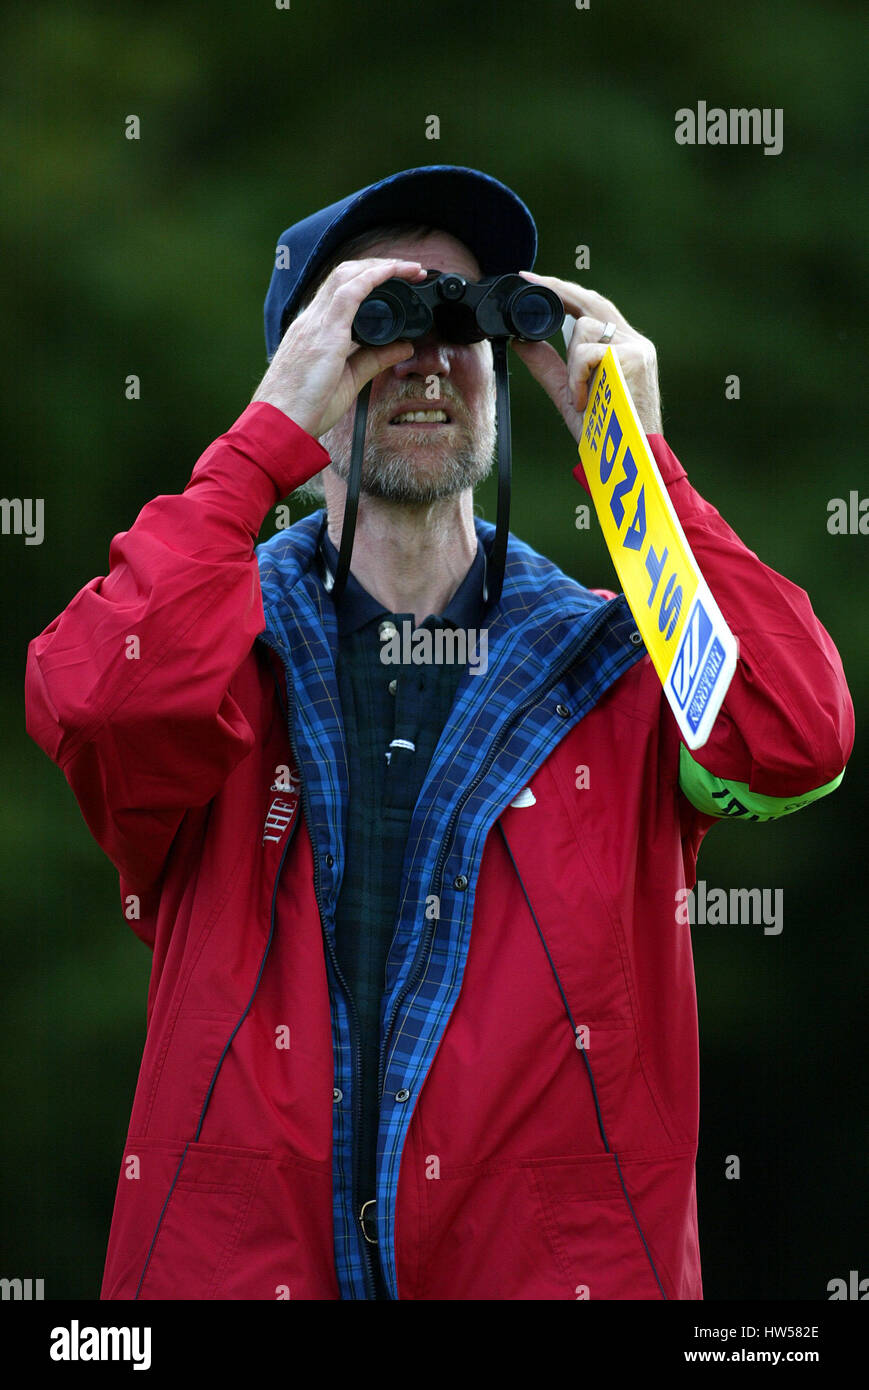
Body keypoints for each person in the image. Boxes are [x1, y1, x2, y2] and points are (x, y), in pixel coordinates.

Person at [25, 165, 854, 1301]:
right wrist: (261, 441)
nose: (425, 357)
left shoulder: (619, 663)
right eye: (380, 319)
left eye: (460, 319)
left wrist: (639, 471)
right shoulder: (216, 658)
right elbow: (95, 702)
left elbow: (794, 739)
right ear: (306, 371)